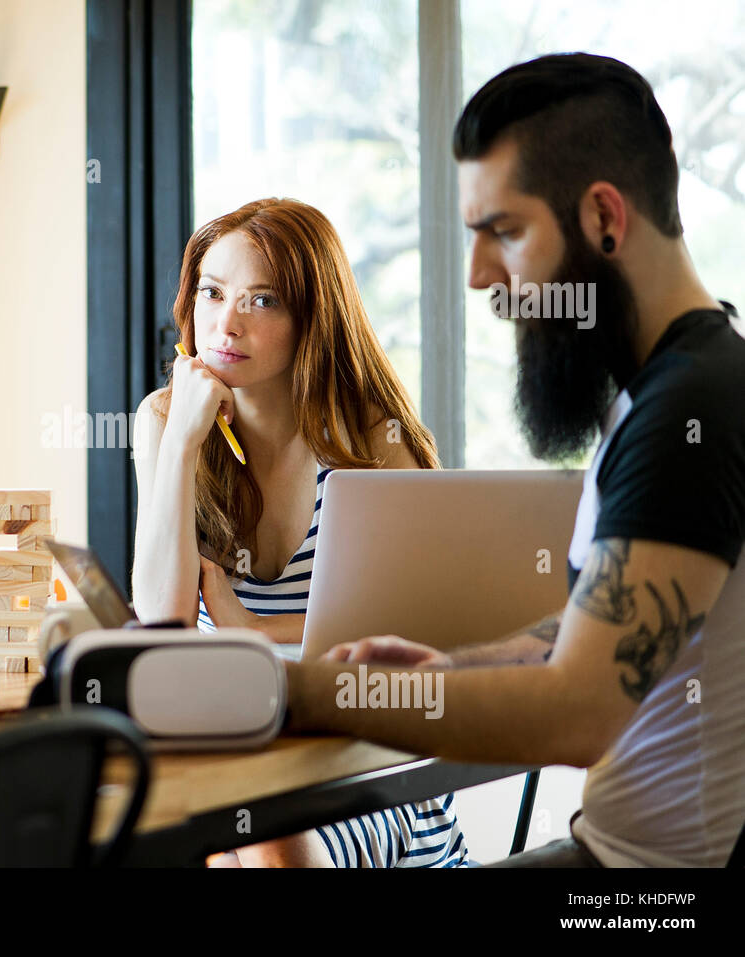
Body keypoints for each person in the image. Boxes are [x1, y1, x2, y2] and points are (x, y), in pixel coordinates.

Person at [286, 53, 745, 867]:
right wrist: (450, 668)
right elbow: (603, 623)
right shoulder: (667, 386)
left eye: (504, 232)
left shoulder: (692, 409)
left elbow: (574, 715)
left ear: (605, 217)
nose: (477, 276)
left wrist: (293, 692)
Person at [131, 197, 469, 867]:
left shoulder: (371, 439)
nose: (226, 323)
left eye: (262, 301)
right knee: (204, 840)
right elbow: (160, 619)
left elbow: (410, 630)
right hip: (239, 747)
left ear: (311, 318)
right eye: (212, 292)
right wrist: (180, 445)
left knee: (260, 845)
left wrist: (254, 632)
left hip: (363, 757)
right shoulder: (165, 420)